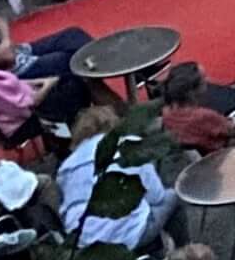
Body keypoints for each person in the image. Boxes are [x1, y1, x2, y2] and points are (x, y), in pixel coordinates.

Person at [54, 93, 178, 252]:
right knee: (172, 197)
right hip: (128, 236)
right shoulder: (129, 145)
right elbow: (157, 197)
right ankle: (181, 255)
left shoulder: (66, 167)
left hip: (82, 244)